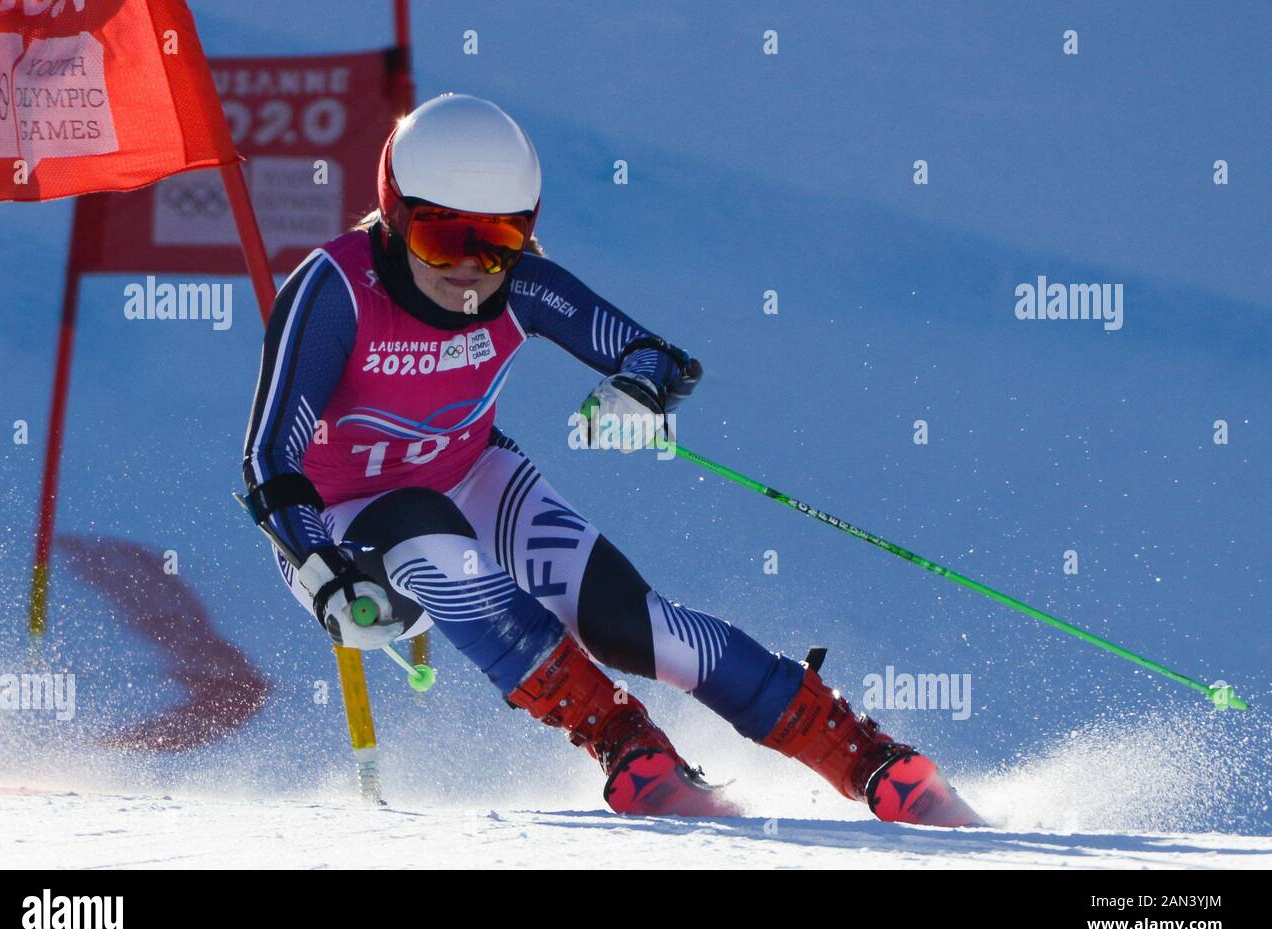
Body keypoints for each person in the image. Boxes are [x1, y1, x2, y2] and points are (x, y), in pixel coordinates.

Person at [241, 93, 979, 826]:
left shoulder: (523, 284)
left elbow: (657, 354)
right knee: (425, 527)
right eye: (442, 237)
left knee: (635, 624)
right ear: (395, 214)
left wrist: (637, 388)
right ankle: (621, 739)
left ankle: (865, 755)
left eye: (497, 238)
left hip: (470, 477)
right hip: (342, 540)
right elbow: (269, 459)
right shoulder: (336, 290)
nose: (470, 267)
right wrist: (320, 567)